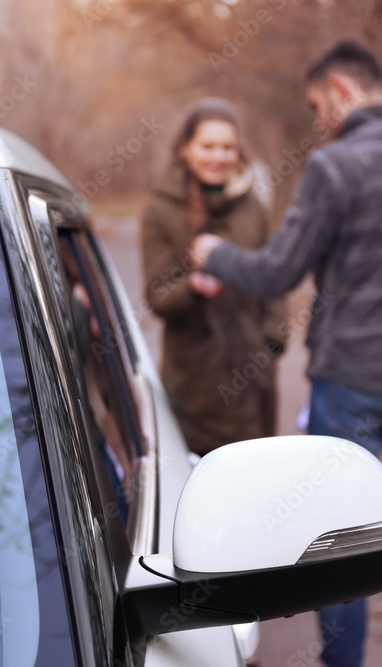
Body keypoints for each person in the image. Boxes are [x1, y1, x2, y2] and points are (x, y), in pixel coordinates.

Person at [191, 41, 382, 667]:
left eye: (318, 104)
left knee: (342, 541)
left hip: (351, 383)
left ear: (343, 92)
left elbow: (276, 271)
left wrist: (213, 253)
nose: (318, 118)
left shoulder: (333, 168)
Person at [141, 98, 286, 457]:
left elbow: (273, 276)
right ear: (185, 149)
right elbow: (158, 296)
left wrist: (272, 342)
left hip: (256, 381)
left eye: (228, 147)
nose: (219, 156)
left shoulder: (253, 206)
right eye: (208, 146)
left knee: (258, 476)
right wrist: (192, 287)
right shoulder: (159, 211)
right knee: (202, 491)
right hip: (195, 386)